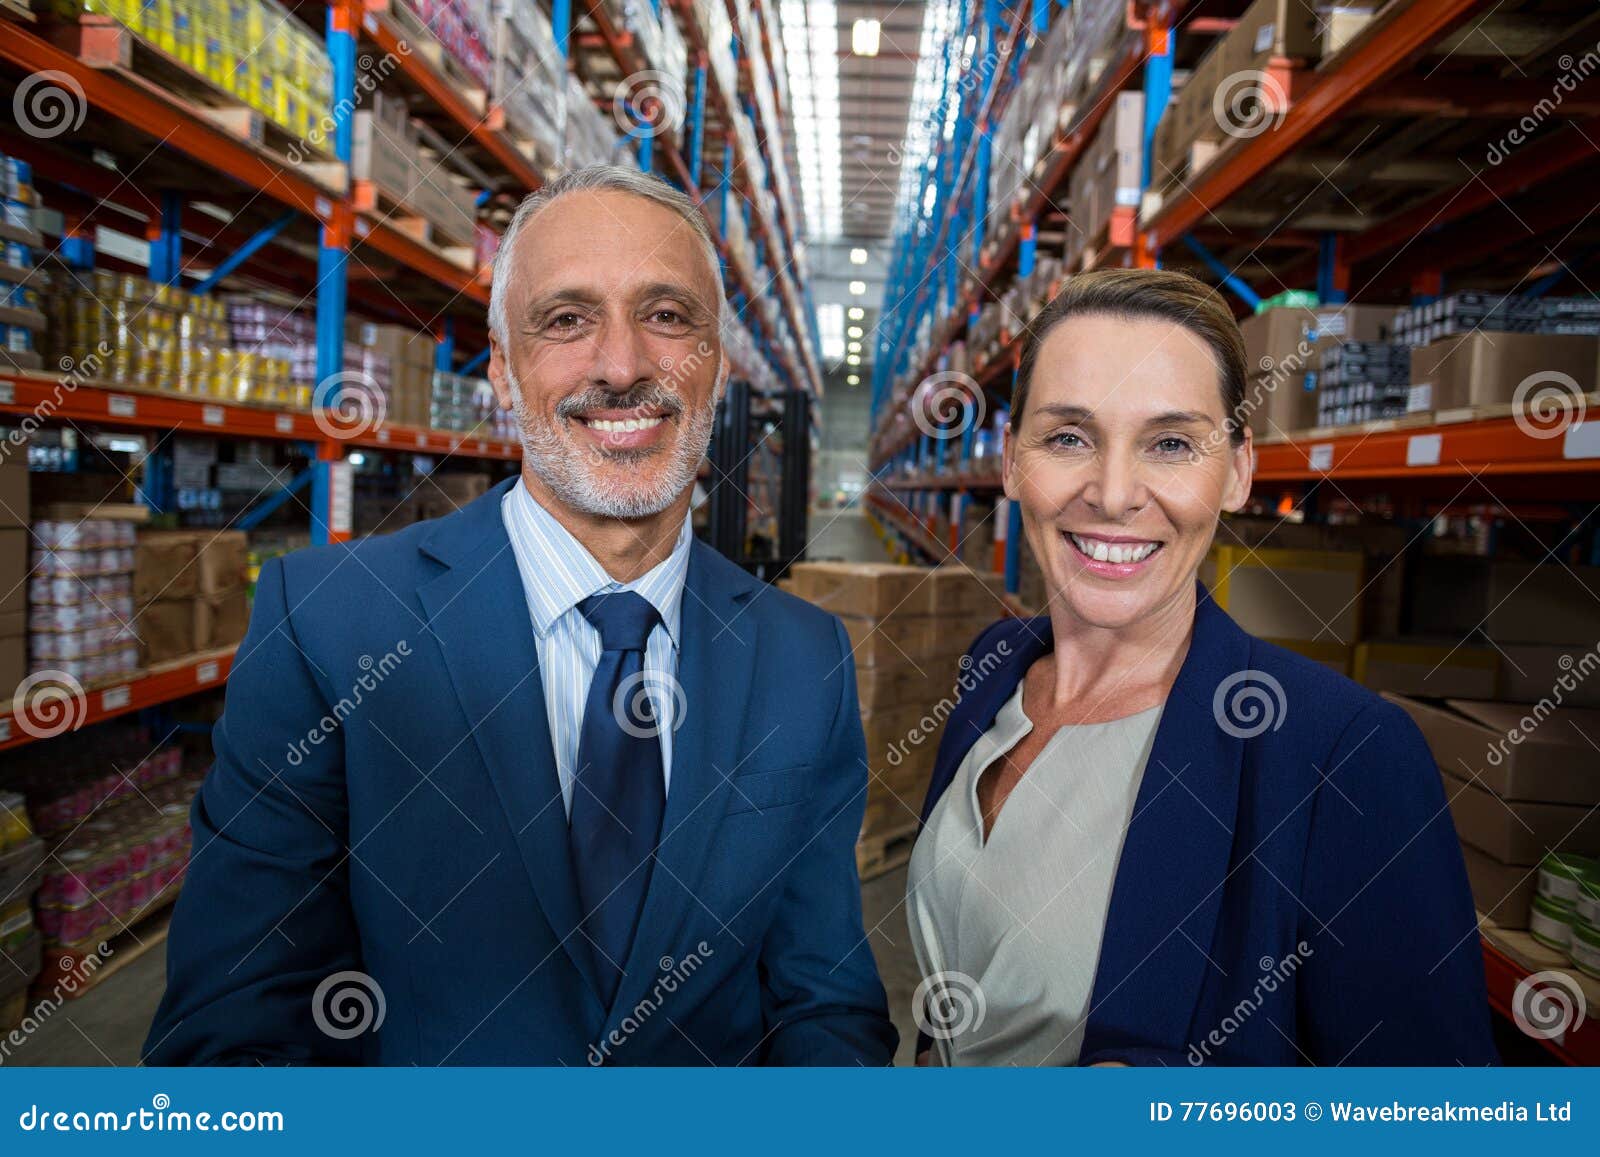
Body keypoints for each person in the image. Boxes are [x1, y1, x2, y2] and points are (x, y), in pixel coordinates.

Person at [145, 165, 896, 1066]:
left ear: (718, 364)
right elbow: (234, 1030)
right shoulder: (332, 626)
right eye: (567, 320)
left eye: (667, 316)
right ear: (502, 367)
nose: (622, 367)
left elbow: (823, 1006)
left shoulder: (802, 658)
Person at [906, 269, 1496, 1066]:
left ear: (1240, 470)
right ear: (1013, 463)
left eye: (1172, 443)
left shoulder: (1341, 756)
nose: (1114, 495)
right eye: (1069, 437)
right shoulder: (995, 668)